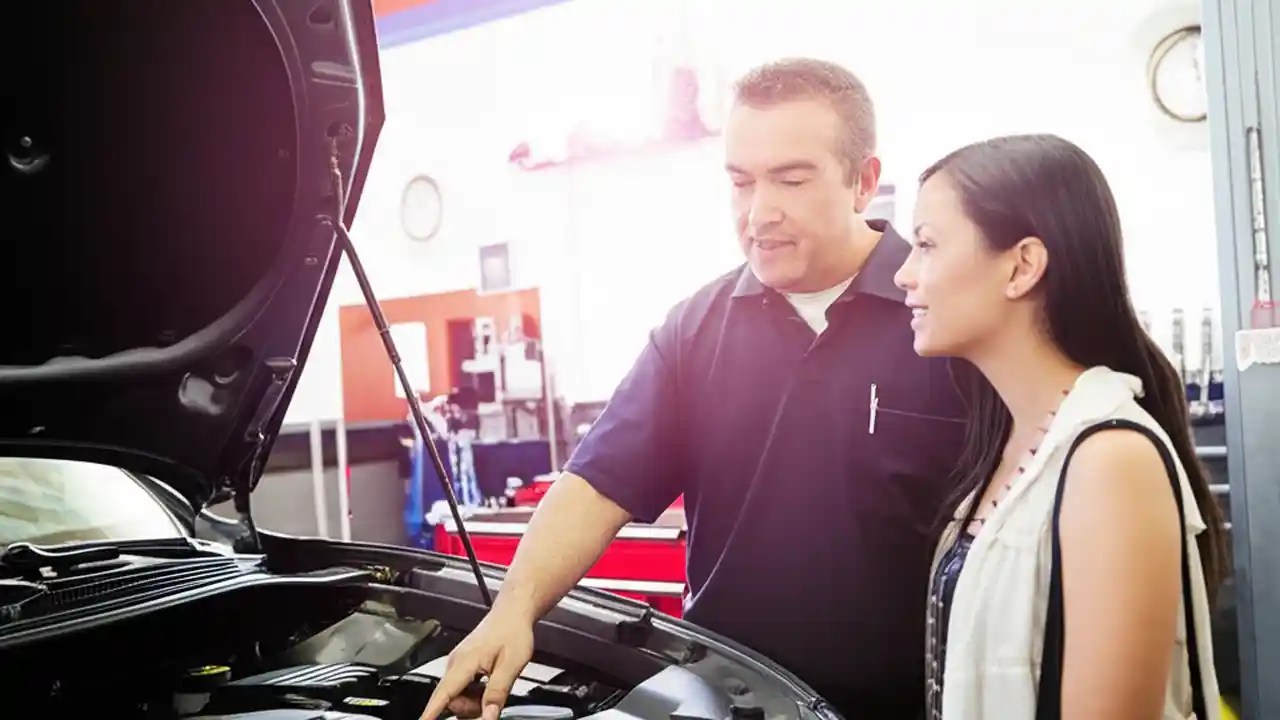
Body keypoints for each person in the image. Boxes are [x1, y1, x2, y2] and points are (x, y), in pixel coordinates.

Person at [419, 58, 969, 720]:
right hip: (730, 703)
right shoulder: (695, 331)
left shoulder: (945, 320)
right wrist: (512, 610)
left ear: (864, 181)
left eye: (791, 180)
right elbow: (595, 487)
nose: (759, 212)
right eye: (740, 182)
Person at [894, 133, 1227, 719]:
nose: (903, 274)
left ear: (1022, 266)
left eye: (926, 245)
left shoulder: (1108, 459)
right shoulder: (1008, 443)